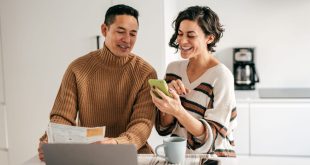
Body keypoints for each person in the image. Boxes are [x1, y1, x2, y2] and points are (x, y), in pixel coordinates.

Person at [38, 4, 157, 161]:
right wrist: (51, 139)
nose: (127, 40)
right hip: (90, 154)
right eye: (120, 32)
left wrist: (116, 143)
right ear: (104, 30)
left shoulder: (145, 72)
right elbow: (62, 117)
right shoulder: (77, 69)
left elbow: (143, 123)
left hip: (132, 154)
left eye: (133, 34)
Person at [150, 6, 237, 157]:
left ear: (210, 38)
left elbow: (211, 138)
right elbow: (164, 128)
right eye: (180, 34)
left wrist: (178, 110)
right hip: (180, 157)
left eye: (191, 35)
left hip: (214, 158)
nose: (182, 41)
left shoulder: (222, 76)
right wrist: (168, 100)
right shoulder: (173, 69)